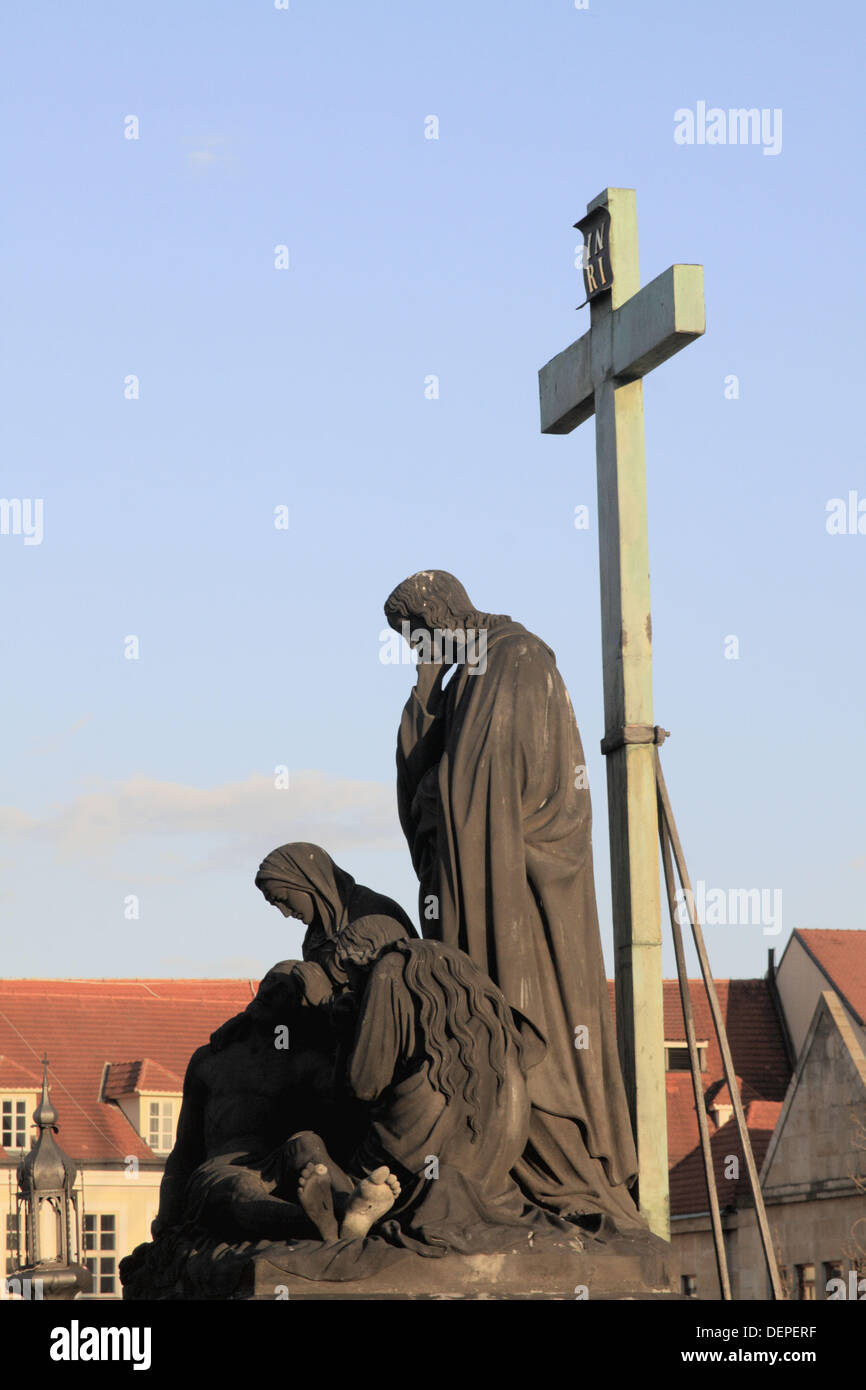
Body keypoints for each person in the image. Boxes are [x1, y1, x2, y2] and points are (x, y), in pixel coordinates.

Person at [384, 569, 643, 1230]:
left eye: (416, 635)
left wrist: (439, 797)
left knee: (533, 1027)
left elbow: (482, 780)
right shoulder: (463, 675)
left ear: (441, 613)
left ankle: (574, 1187)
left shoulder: (514, 659)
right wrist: (423, 697)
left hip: (521, 895)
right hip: (482, 877)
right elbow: (437, 783)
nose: (417, 651)